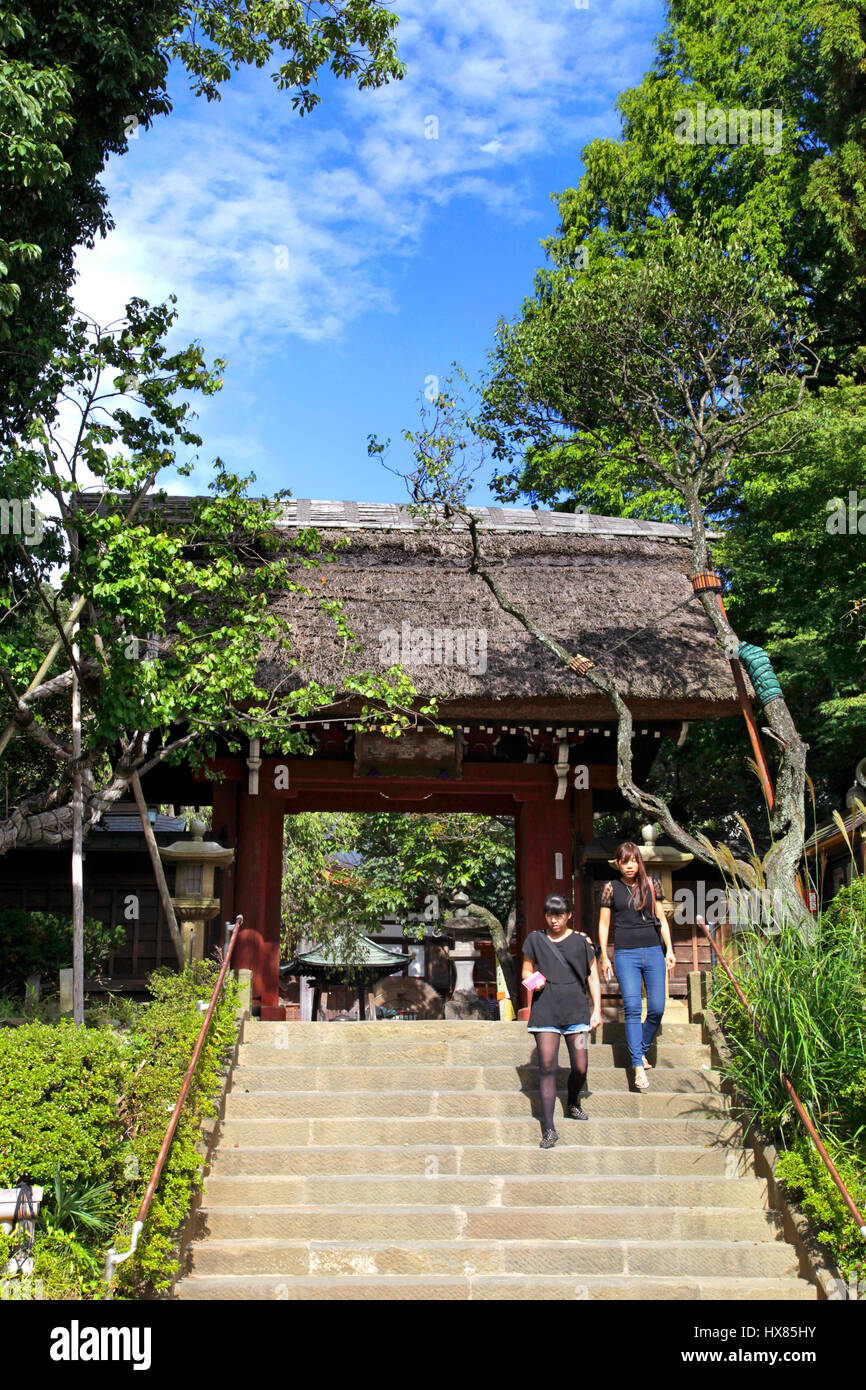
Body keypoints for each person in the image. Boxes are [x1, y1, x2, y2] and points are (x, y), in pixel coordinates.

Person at [521, 892, 602, 1149]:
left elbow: (592, 977)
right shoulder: (535, 939)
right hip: (546, 1011)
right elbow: (525, 969)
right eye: (549, 914)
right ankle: (548, 1128)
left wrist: (597, 1009)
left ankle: (573, 1102)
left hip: (576, 1012)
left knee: (580, 1066)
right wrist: (536, 981)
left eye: (558, 915)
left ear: (568, 915)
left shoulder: (582, 942)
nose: (553, 920)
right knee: (546, 1066)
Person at [598, 841, 676, 1092]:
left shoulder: (651, 884)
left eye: (633, 861)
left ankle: (640, 1048)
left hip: (653, 951)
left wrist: (670, 949)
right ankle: (637, 1067)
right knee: (632, 1007)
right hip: (625, 954)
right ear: (618, 863)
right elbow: (604, 925)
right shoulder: (611, 887)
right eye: (624, 861)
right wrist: (604, 956)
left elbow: (662, 919)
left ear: (638, 862)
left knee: (657, 1008)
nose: (629, 866)